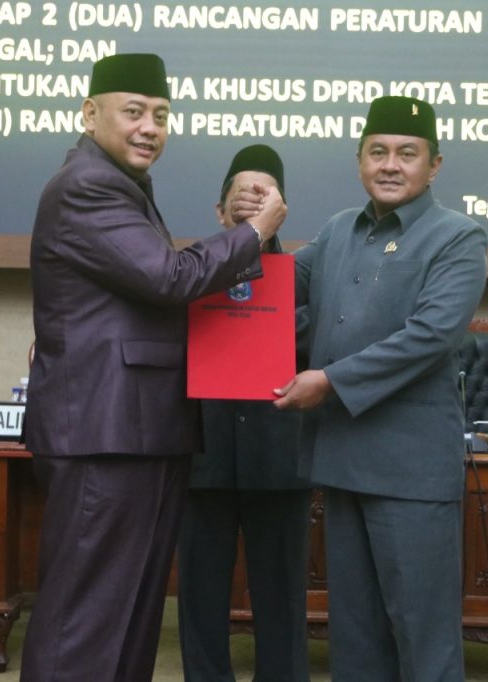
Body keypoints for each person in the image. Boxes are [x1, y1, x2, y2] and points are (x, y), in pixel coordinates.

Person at [22, 54, 287, 682]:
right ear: (90, 114)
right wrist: (254, 233)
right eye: (134, 112)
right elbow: (168, 277)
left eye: (161, 115)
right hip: (105, 432)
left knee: (129, 617)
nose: (150, 128)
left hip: (135, 430)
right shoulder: (89, 184)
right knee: (85, 623)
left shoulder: (120, 184)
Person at [270, 96, 488, 681]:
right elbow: (280, 292)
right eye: (378, 152)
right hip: (342, 460)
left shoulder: (458, 237)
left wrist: (329, 381)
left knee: (423, 638)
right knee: (356, 639)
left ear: (434, 165)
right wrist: (256, 237)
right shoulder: (339, 229)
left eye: (407, 154)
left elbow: (431, 336)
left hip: (410, 470)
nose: (391, 165)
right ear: (360, 159)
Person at [176, 145, 312, 682]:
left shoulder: (303, 274)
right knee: (200, 602)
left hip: (279, 462)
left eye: (265, 193)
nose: (253, 201)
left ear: (282, 207)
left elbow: (319, 346)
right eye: (241, 194)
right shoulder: (188, 270)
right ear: (218, 211)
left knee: (282, 605)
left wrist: (273, 326)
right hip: (203, 459)